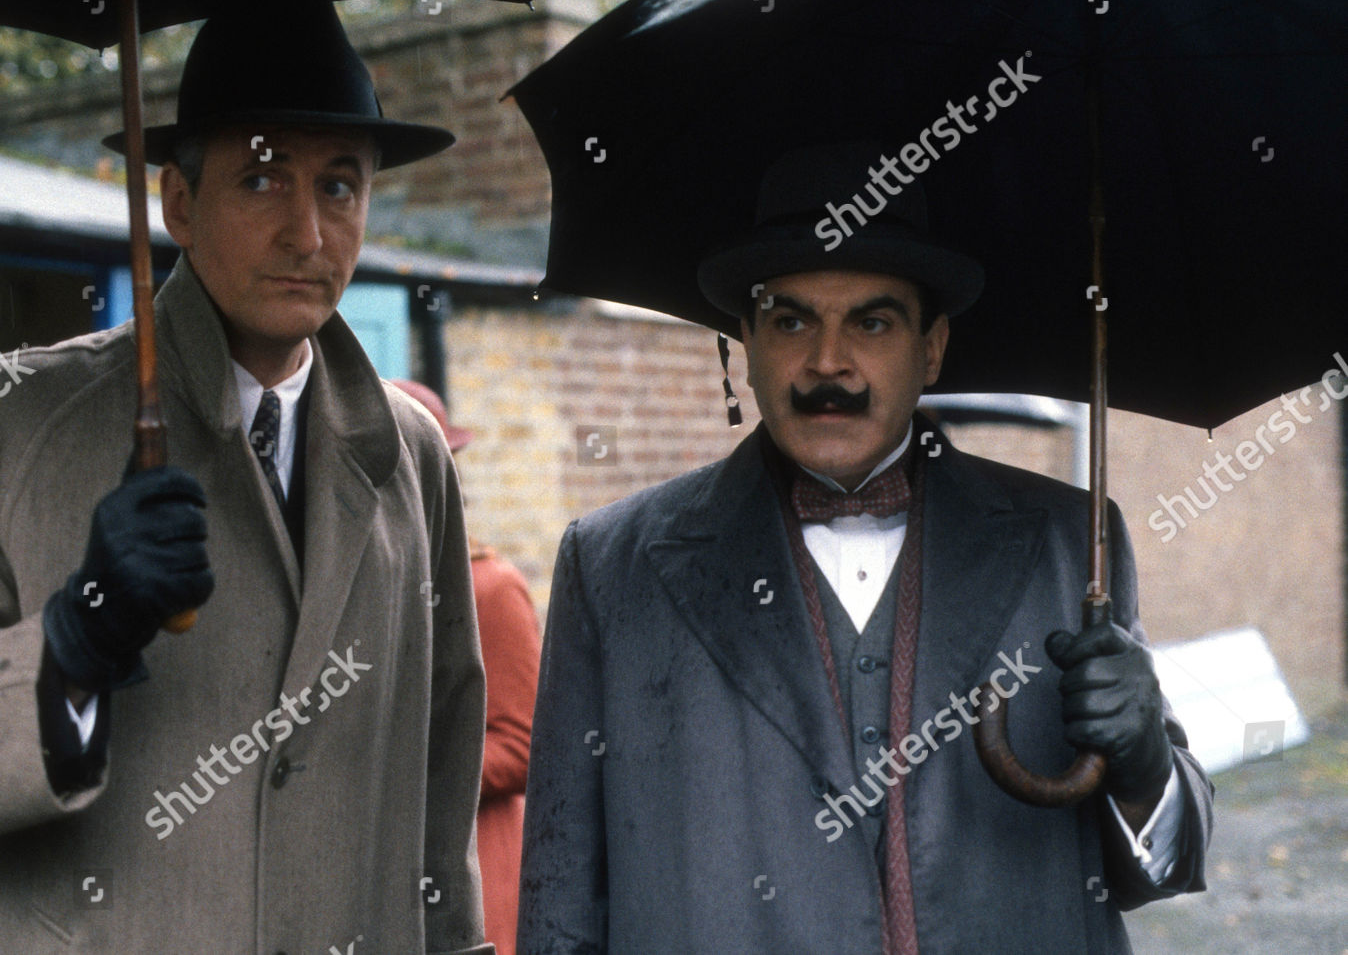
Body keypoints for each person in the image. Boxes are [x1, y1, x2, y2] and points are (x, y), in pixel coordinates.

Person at [0, 1, 494, 954]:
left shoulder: (411, 455)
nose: (308, 234)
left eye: (340, 186)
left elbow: (443, 774)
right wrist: (76, 639)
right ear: (179, 204)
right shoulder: (2, 423)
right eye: (263, 178)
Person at [518, 143, 1213, 953]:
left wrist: (1143, 767)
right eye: (791, 321)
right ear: (747, 342)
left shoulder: (1070, 544)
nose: (828, 362)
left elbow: (1162, 867)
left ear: (932, 347)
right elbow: (560, 902)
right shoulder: (611, 568)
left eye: (871, 322)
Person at [392, 379, 542, 955]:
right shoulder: (373, 588)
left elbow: (523, 744)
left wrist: (402, 772)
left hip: (476, 864)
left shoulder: (490, 586)